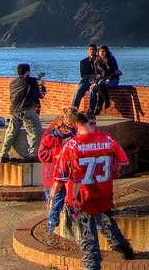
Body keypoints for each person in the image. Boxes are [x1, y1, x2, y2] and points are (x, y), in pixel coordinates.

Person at [57, 111, 134, 266]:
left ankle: (92, 266)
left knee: (88, 238)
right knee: (108, 226)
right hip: (104, 193)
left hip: (83, 198)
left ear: (74, 125)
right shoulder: (108, 139)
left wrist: (69, 198)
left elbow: (66, 177)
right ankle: (125, 251)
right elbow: (123, 162)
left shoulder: (72, 146)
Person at [38, 107, 78, 238]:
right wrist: (59, 155)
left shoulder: (75, 133)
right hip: (52, 175)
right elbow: (42, 154)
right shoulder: (51, 135)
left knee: (70, 204)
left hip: (69, 175)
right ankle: (51, 232)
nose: (70, 129)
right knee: (54, 204)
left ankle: (66, 232)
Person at [0, 63, 44, 163]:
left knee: (11, 132)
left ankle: (3, 153)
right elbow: (40, 96)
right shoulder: (31, 81)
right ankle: (31, 154)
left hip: (14, 110)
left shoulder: (13, 83)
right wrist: (41, 86)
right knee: (36, 132)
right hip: (26, 110)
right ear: (27, 71)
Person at [90, 45, 122, 116]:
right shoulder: (97, 62)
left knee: (101, 87)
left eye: (103, 51)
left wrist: (107, 63)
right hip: (103, 81)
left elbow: (114, 71)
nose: (102, 53)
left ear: (106, 52)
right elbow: (97, 74)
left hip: (113, 79)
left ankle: (100, 106)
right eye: (100, 51)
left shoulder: (111, 59)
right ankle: (104, 103)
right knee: (100, 85)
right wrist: (95, 82)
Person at [72, 44, 100, 112]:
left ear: (96, 51)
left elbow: (101, 73)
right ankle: (74, 110)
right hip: (86, 81)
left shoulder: (99, 61)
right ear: (87, 51)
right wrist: (93, 76)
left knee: (92, 91)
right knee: (78, 91)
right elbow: (83, 75)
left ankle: (91, 110)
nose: (91, 51)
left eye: (93, 50)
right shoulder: (83, 62)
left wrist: (95, 79)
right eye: (90, 49)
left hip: (95, 81)